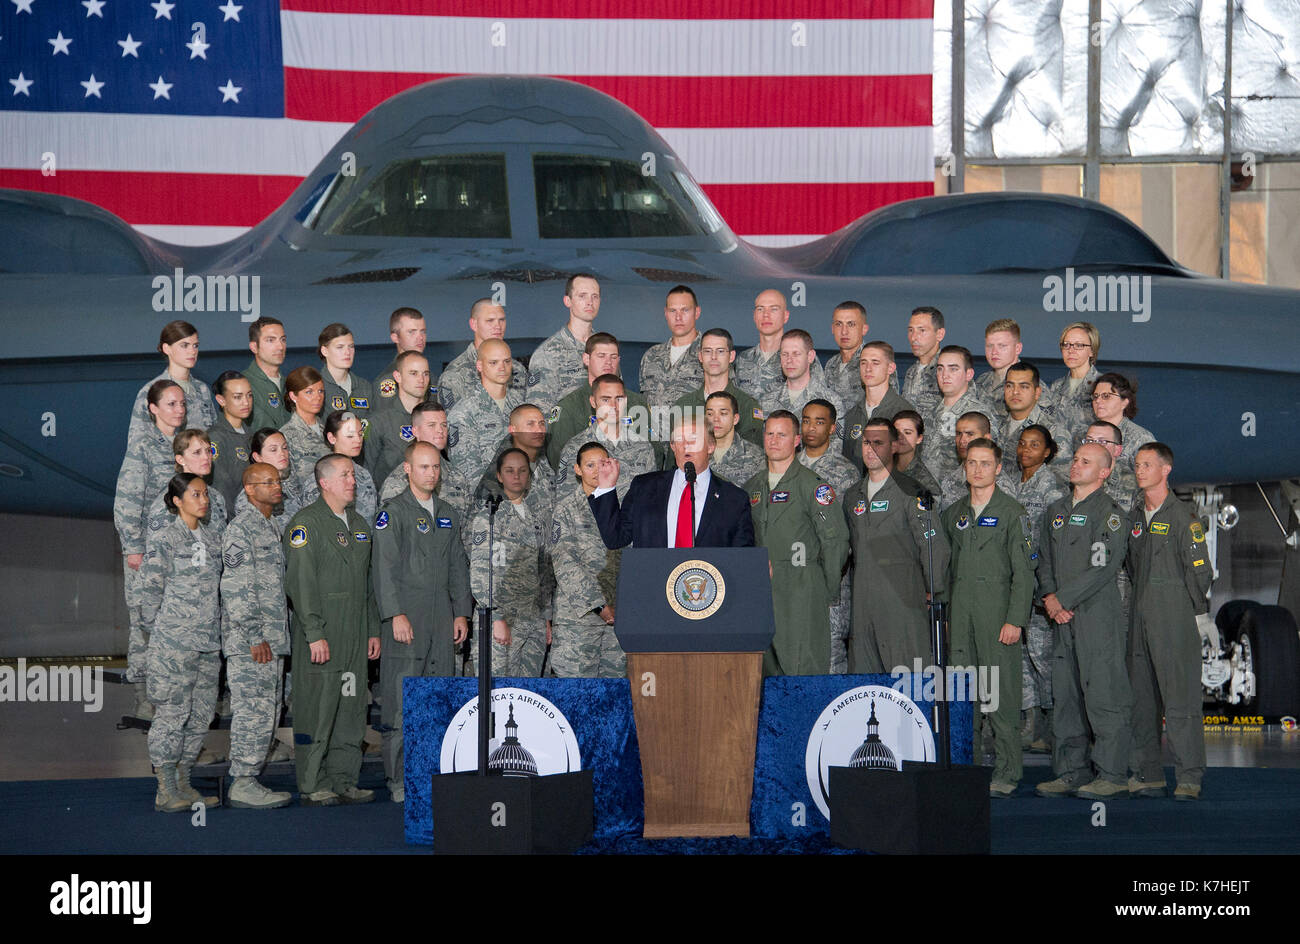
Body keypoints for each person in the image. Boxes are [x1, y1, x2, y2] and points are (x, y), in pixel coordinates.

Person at [373, 442, 472, 801]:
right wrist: (394, 613)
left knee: (438, 697)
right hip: (406, 619)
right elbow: (382, 568)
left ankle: (432, 772)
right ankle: (398, 780)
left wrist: (462, 611)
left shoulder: (448, 512)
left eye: (435, 467)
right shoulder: (393, 512)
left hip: (442, 620)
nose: (431, 473)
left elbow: (458, 565)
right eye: (424, 467)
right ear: (408, 469)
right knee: (402, 702)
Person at [283, 455, 381, 806]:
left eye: (352, 474)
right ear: (324, 482)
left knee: (351, 709)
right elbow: (301, 583)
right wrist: (313, 633)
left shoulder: (359, 525)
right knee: (318, 708)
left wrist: (372, 629)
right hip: (323, 634)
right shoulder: (306, 524)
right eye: (344, 475)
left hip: (355, 634)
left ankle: (343, 778)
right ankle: (312, 781)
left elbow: (366, 584)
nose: (352, 481)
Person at [1036, 443, 1132, 800]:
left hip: (1096, 616)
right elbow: (1043, 558)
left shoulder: (1110, 514)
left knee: (1104, 693)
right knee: (1066, 695)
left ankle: (1112, 773)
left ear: (1104, 472)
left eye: (1085, 461)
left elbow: (1103, 567)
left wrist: (1064, 598)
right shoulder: (1055, 511)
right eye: (1075, 459)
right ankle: (1070, 771)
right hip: (1061, 618)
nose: (1075, 465)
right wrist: (1050, 598)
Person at [941, 438, 1035, 797]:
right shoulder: (954, 515)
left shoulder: (1013, 513)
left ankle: (1008, 772)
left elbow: (1024, 573)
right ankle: (969, 768)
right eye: (971, 463)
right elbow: (946, 571)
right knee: (965, 698)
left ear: (998, 468)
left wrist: (1016, 619)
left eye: (985, 463)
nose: (977, 469)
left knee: (1000, 697)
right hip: (961, 617)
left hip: (997, 617)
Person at [1127, 443, 1212, 801]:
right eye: (1137, 465)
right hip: (1139, 618)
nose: (1140, 470)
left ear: (1166, 470)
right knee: (1142, 701)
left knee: (1180, 701)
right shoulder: (1134, 517)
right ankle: (1148, 773)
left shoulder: (1183, 519)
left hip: (1174, 618)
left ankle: (1189, 776)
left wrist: (1198, 616)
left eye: (1148, 465)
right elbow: (1132, 569)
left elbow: (1200, 574)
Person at [139, 473, 224, 811]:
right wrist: (163, 630)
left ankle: (185, 782)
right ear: (176, 501)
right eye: (195, 494)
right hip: (174, 644)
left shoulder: (213, 539)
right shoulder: (165, 539)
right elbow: (149, 594)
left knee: (200, 715)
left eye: (205, 494)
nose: (203, 500)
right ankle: (165, 788)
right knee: (172, 716)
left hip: (207, 643)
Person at [745, 410, 850, 676]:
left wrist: (823, 588)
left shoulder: (812, 486)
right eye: (769, 433)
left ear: (796, 440)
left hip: (802, 591)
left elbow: (835, 541)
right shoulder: (752, 488)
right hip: (761, 593)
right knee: (764, 675)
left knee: (801, 670)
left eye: (782, 434)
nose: (774, 440)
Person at [844, 418, 949, 674]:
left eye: (878, 443)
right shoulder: (852, 495)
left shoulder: (912, 491)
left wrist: (932, 592)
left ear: (894, 446)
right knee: (865, 683)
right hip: (863, 605)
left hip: (903, 602)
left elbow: (934, 545)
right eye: (866, 442)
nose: (870, 449)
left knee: (909, 682)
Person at [220, 463, 294, 810]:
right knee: (253, 712)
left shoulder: (271, 526)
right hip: (253, 643)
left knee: (267, 711)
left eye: (278, 481)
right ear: (249, 489)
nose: (276, 486)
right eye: (268, 482)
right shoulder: (242, 530)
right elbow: (237, 588)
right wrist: (253, 635)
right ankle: (243, 782)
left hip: (270, 640)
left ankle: (249, 778)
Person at [114, 380, 188, 719]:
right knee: (145, 626)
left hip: (180, 554)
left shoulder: (188, 445)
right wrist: (133, 548)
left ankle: (174, 697)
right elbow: (128, 500)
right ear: (153, 409)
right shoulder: (143, 447)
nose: (179, 410)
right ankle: (144, 698)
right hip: (147, 553)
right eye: (170, 404)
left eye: (182, 403)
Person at [997, 424, 1067, 753]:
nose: (1025, 450)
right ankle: (1031, 724)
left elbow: (1053, 539)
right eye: (1022, 444)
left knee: (1042, 656)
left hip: (1040, 585)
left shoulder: (1051, 485)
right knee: (1023, 657)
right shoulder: (1011, 482)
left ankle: (1055, 727)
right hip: (1014, 582)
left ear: (1048, 451)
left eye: (1034, 445)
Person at [589, 417, 756, 549]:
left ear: (711, 446)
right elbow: (615, 539)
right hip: (653, 586)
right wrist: (606, 488)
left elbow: (742, 557)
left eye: (693, 439)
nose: (685, 446)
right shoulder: (644, 487)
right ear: (673, 446)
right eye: (678, 440)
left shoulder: (734, 499)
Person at [467, 448, 554, 677]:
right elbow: (480, 573)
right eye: (510, 470)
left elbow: (544, 572)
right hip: (502, 618)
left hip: (532, 620)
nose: (516, 476)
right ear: (499, 476)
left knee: (529, 695)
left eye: (522, 471)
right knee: (498, 694)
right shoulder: (490, 516)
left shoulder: (537, 518)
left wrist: (546, 617)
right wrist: (495, 617)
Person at [549, 442, 624, 677]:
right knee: (577, 695)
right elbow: (565, 564)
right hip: (579, 620)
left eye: (601, 464)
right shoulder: (565, 510)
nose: (595, 470)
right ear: (577, 470)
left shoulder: (621, 505)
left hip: (618, 619)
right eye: (589, 465)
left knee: (613, 695)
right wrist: (599, 605)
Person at [800, 399, 858, 673]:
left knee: (831, 653)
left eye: (819, 422)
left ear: (833, 428)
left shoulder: (844, 471)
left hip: (832, 576)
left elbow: (850, 531)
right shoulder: (789, 464)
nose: (811, 427)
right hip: (797, 576)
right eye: (806, 420)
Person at [544, 333, 654, 469]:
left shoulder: (637, 402)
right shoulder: (567, 407)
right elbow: (559, 457)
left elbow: (655, 451)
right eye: (601, 356)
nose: (608, 362)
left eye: (613, 357)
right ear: (586, 359)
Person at [556, 375, 658, 498]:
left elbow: (652, 496)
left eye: (619, 399)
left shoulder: (643, 447)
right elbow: (565, 501)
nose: (613, 406)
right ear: (593, 402)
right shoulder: (574, 448)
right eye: (606, 400)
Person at [672, 327, 765, 447]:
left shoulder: (747, 405)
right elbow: (674, 459)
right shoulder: (683, 405)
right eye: (707, 351)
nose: (713, 357)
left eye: (720, 351)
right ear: (700, 356)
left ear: (731, 356)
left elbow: (754, 457)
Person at [126, 320, 216, 444]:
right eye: (184, 345)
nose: (192, 351)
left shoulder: (202, 388)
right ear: (166, 348)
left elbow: (214, 435)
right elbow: (137, 442)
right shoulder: (151, 390)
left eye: (195, 345)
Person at [446, 339, 523, 483]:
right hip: (488, 499)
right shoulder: (463, 413)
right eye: (494, 363)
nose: (502, 368)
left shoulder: (520, 405)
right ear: (479, 366)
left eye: (507, 361)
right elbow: (467, 472)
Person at [435, 298, 532, 410]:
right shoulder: (454, 375)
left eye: (502, 320)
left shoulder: (517, 370)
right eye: (490, 320)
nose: (498, 326)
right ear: (473, 324)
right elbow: (452, 423)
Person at [921, 345, 995, 483]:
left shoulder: (979, 415)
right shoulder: (930, 411)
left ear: (969, 374)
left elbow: (987, 464)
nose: (945, 375)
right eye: (940, 369)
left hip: (959, 495)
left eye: (953, 369)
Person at [841, 340, 916, 473]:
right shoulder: (853, 414)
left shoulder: (903, 413)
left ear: (890, 368)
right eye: (863, 362)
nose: (868, 368)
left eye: (875, 362)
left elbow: (909, 466)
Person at [529, 273, 601, 411]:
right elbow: (538, 412)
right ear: (568, 301)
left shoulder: (605, 347)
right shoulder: (547, 353)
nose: (590, 302)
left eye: (595, 296)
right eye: (582, 296)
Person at [736, 289, 824, 403]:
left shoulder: (804, 359)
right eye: (760, 309)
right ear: (754, 316)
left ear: (785, 316)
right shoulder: (743, 359)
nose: (766, 315)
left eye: (773, 309)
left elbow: (820, 403)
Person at [367, 351, 433, 489]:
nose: (421, 379)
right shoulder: (377, 422)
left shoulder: (437, 418)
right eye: (413, 373)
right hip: (390, 503)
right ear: (397, 376)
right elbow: (365, 473)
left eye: (425, 373)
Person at [762, 330, 844, 438]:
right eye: (785, 354)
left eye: (796, 354)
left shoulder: (831, 401)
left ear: (810, 356)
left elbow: (834, 449)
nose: (789, 360)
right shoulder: (766, 400)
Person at [146, 428, 228, 536]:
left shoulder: (216, 497)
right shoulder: (170, 499)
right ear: (181, 459)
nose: (206, 457)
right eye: (197, 452)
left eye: (208, 451)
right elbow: (160, 548)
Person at [638, 285, 705, 414]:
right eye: (673, 311)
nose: (678, 317)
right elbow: (643, 404)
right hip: (654, 433)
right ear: (666, 313)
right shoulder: (651, 356)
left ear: (697, 313)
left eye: (685, 310)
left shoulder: (710, 355)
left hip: (692, 432)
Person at [1090, 372, 1154, 505]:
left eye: (1106, 396)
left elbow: (1154, 485)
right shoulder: (1089, 435)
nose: (1098, 401)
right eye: (1095, 396)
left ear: (1124, 402)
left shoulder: (1140, 438)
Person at [301, 411, 378, 522]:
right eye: (350, 436)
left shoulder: (364, 474)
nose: (358, 440)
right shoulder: (320, 477)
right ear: (332, 438)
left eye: (360, 434)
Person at [477, 403, 555, 511]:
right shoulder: (499, 468)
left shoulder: (545, 465)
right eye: (530, 424)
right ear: (513, 430)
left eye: (541, 424)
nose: (539, 430)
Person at [997, 362, 1073, 473]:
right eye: (1010, 385)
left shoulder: (1053, 432)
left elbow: (1059, 482)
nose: (1015, 392)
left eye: (1023, 386)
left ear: (1037, 393)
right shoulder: (996, 424)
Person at [1041, 321, 1101, 439]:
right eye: (1066, 344)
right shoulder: (1056, 386)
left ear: (1092, 351)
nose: (1071, 350)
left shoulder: (1104, 385)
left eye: (1079, 345)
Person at [234, 428, 307, 524]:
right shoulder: (253, 494)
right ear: (257, 457)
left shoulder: (295, 478)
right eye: (273, 450)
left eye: (285, 448)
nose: (282, 453)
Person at [208, 371, 254, 518]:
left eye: (249, 395)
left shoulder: (251, 434)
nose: (246, 402)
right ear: (221, 400)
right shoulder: (216, 437)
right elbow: (220, 489)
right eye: (237, 397)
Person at [279, 366, 330, 495]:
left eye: (321, 391)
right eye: (309, 392)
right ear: (293, 396)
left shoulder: (329, 430)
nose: (317, 397)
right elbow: (286, 485)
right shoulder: (285, 435)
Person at [317, 323, 374, 427]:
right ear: (324, 351)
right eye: (340, 347)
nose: (347, 352)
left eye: (351, 347)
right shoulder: (316, 387)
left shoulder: (364, 387)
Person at [704, 391, 766, 486]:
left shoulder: (757, 457)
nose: (716, 419)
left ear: (735, 419)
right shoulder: (695, 453)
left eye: (723, 413)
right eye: (710, 414)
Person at [937, 411, 994, 510]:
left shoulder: (997, 482)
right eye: (959, 434)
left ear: (986, 439)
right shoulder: (949, 480)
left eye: (970, 434)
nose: (962, 440)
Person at [243, 317, 290, 433]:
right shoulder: (243, 384)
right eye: (270, 340)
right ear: (254, 347)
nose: (280, 347)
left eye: (283, 340)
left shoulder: (291, 383)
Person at [372, 307, 430, 392]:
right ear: (395, 338)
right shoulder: (388, 381)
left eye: (423, 331)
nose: (420, 337)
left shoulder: (431, 378)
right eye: (411, 332)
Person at [972, 318, 1023, 414]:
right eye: (990, 346)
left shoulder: (1028, 386)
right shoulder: (981, 381)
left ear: (1018, 348)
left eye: (1002, 346)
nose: (994, 352)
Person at [901, 306, 946, 414]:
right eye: (911, 330)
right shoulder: (911, 372)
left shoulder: (948, 370)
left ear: (939, 334)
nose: (913, 337)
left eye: (922, 330)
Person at [892, 410, 943, 501]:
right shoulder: (881, 468)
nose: (900, 437)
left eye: (907, 432)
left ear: (919, 438)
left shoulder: (926, 483)